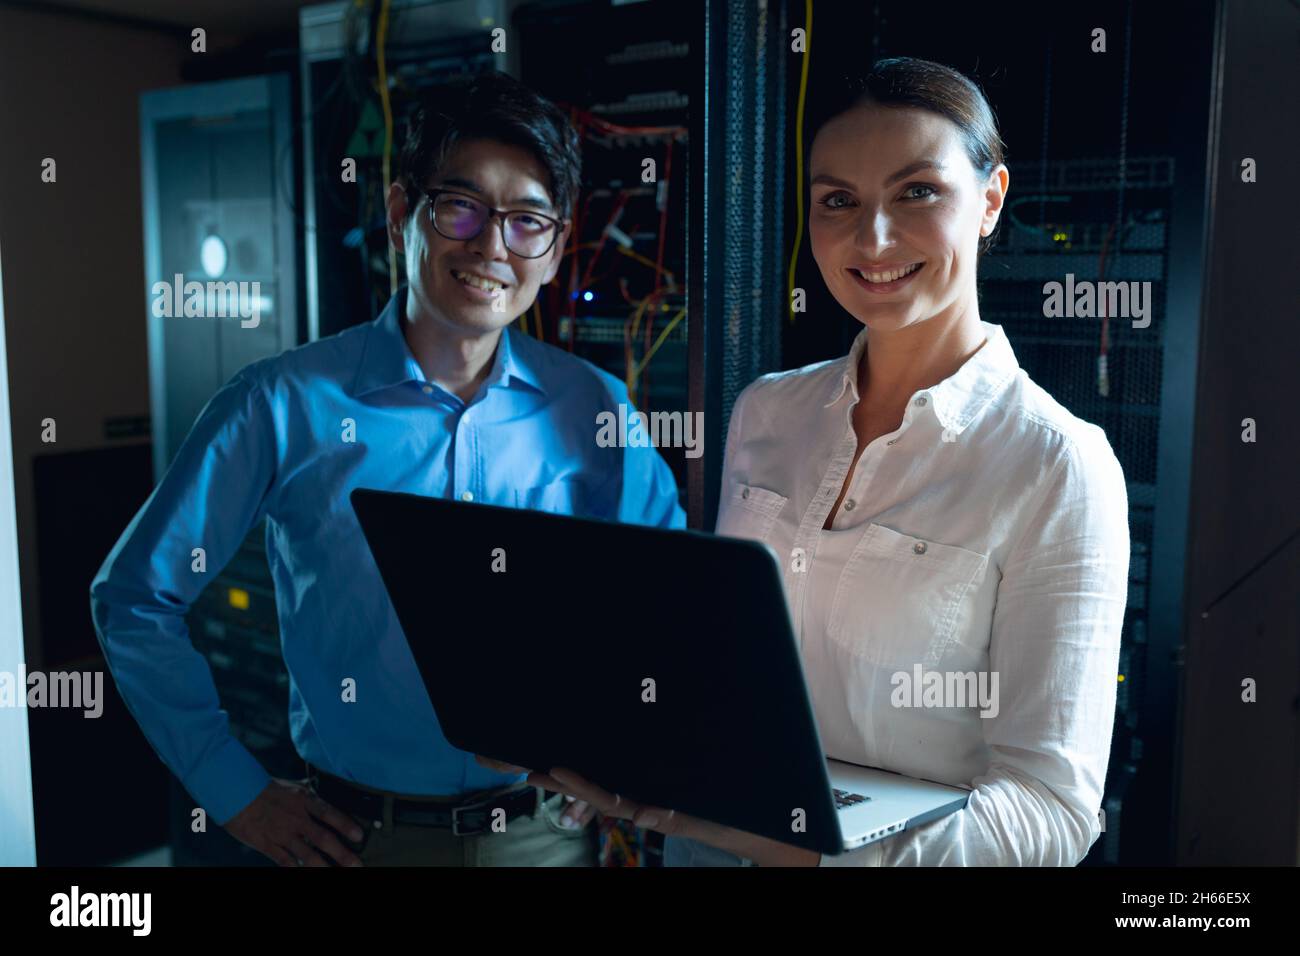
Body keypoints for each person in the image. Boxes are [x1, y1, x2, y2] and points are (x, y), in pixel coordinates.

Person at [520, 57, 1130, 866]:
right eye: (838, 201)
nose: (872, 238)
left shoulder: (1057, 466)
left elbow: (1050, 813)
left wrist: (806, 852)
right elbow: (730, 670)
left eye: (917, 192)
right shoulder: (767, 411)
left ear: (990, 200)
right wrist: (623, 739)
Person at [90, 71, 685, 867]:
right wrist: (233, 790)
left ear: (555, 244)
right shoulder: (281, 403)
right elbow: (134, 596)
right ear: (403, 211)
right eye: (461, 207)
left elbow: (669, 606)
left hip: (544, 840)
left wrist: (620, 739)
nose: (489, 247)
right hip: (357, 842)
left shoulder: (596, 409)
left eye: (525, 221)